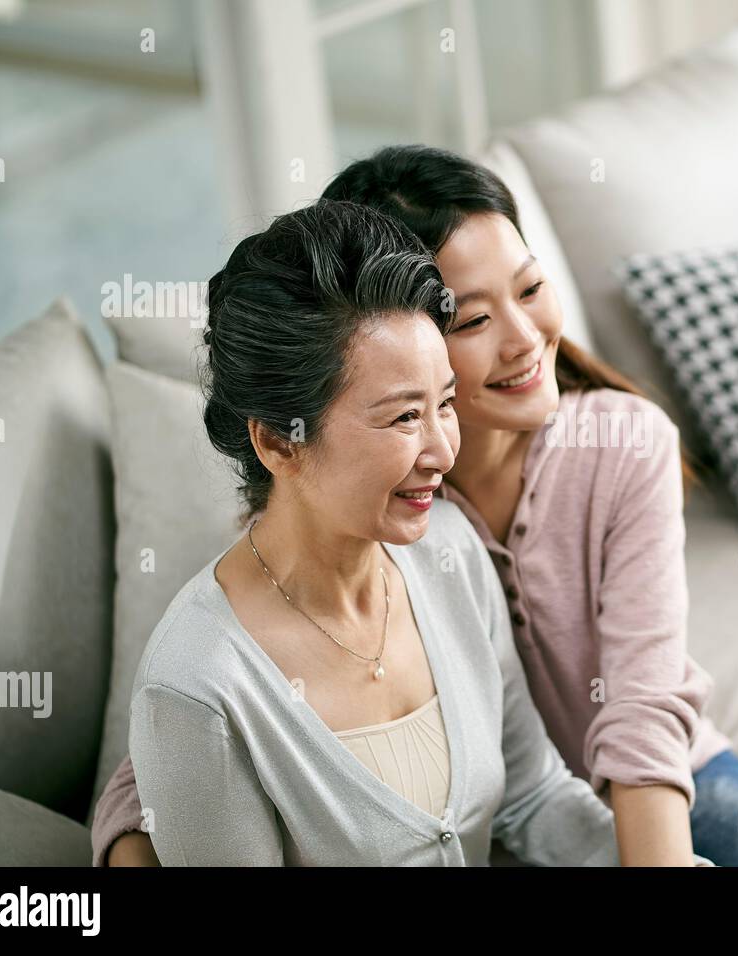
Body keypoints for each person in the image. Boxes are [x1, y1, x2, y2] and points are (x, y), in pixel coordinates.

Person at [96, 145, 738, 867]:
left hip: (646, 782)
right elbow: (187, 727)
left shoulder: (462, 525)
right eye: (472, 320)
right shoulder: (365, 508)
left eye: (530, 288)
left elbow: (624, 723)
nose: (526, 339)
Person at [123, 198, 621, 865]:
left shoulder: (451, 552)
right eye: (402, 419)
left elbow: (533, 796)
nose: (445, 450)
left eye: (444, 403)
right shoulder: (199, 686)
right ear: (278, 441)